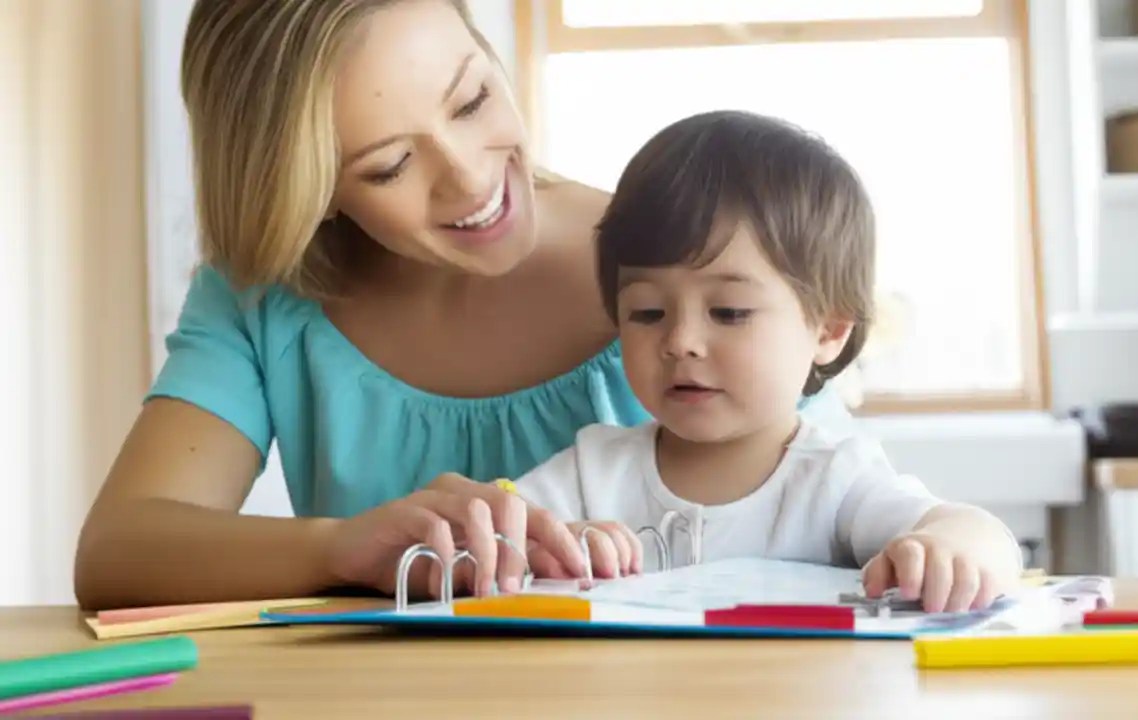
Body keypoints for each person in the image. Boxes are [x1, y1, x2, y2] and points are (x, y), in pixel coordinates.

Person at [73, 0, 853, 610]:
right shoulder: (267, 299)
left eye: (473, 98)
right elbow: (117, 552)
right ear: (307, 190)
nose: (471, 180)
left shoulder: (681, 282)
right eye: (390, 166)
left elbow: (838, 514)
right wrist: (341, 548)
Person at [514, 111, 1023, 613]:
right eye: (647, 312)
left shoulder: (836, 481)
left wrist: (950, 548)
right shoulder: (592, 470)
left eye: (729, 312)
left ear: (828, 330)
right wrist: (543, 550)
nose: (680, 341)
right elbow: (487, 544)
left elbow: (977, 536)